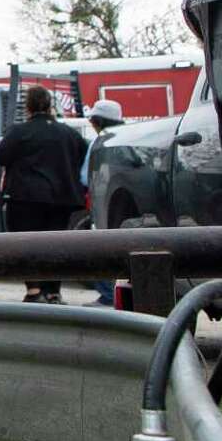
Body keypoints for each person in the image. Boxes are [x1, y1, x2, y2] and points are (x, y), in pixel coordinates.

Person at [0, 86, 89, 303]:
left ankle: (34, 290)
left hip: (25, 198)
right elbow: (83, 154)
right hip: (62, 199)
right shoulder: (68, 133)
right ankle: (53, 291)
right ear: (50, 105)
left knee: (26, 244)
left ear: (27, 106)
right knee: (56, 245)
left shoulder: (20, 132)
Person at [79, 98, 125, 306]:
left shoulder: (98, 143)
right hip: (124, 205)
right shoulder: (127, 137)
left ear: (97, 121)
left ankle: (107, 295)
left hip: (101, 203)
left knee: (99, 248)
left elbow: (84, 177)